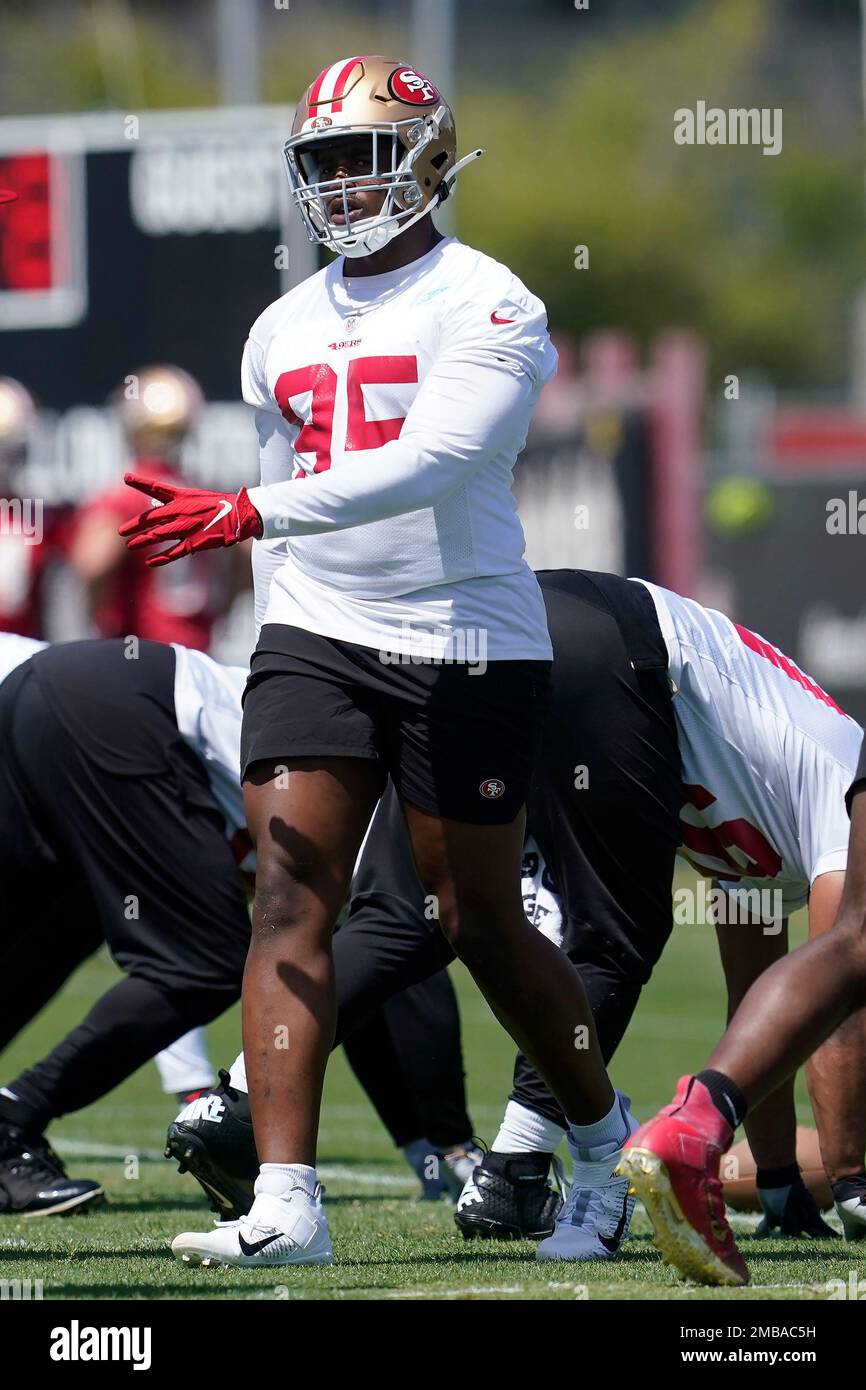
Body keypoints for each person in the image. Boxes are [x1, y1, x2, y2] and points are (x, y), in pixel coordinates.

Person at [121, 55, 636, 1271]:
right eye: (324, 164)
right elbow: (286, 507)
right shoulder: (279, 329)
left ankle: (606, 1148)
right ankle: (287, 1203)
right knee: (291, 894)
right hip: (318, 633)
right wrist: (272, 647)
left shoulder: (493, 302)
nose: (343, 186)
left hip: (462, 636)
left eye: (362, 157)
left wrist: (251, 511)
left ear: (427, 158)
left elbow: (436, 461)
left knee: (476, 920)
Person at [171, 570, 864, 1261]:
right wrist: (854, 1182)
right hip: (608, 645)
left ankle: (234, 1103)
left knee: (415, 914)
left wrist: (778, 1184)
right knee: (616, 932)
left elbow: (768, 1012)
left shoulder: (777, 844)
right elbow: (840, 1004)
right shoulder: (838, 786)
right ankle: (518, 1166)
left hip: (496, 624)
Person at [69, 365, 229, 650]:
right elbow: (244, 557)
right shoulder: (206, 494)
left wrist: (98, 617)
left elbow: (93, 564)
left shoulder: (126, 496)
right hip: (199, 652)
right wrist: (222, 612)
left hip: (141, 653)